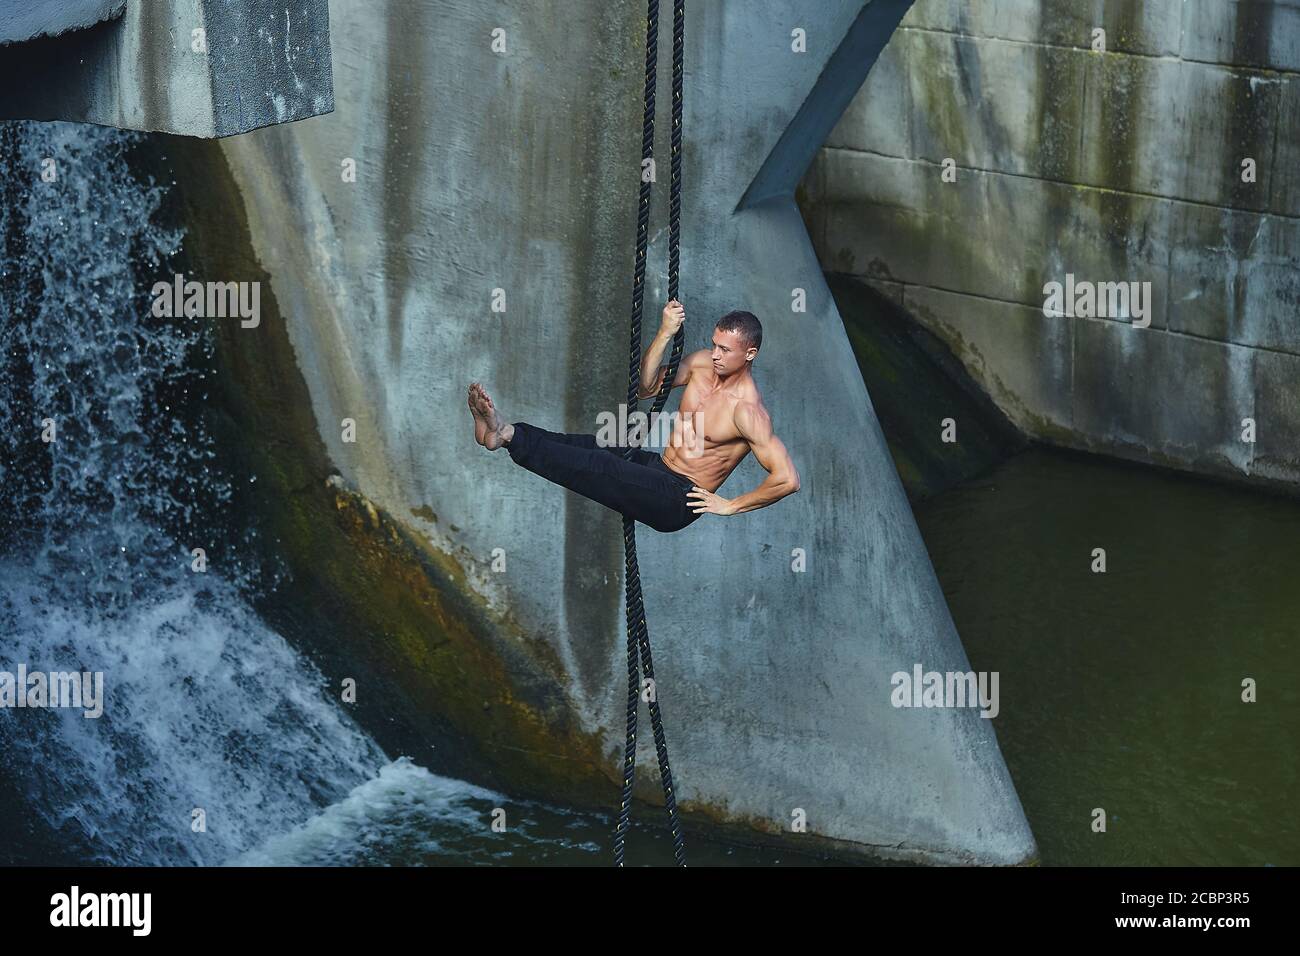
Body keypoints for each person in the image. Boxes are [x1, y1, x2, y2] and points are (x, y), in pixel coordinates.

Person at [468, 299, 800, 533]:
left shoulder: (748, 410)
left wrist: (729, 505)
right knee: (590, 447)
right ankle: (505, 431)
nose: (715, 355)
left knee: (601, 467)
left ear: (750, 354)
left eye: (725, 350)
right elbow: (647, 386)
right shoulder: (701, 364)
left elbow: (787, 479)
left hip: (677, 499)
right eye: (714, 345)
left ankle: (508, 437)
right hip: (660, 468)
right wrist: (665, 333)